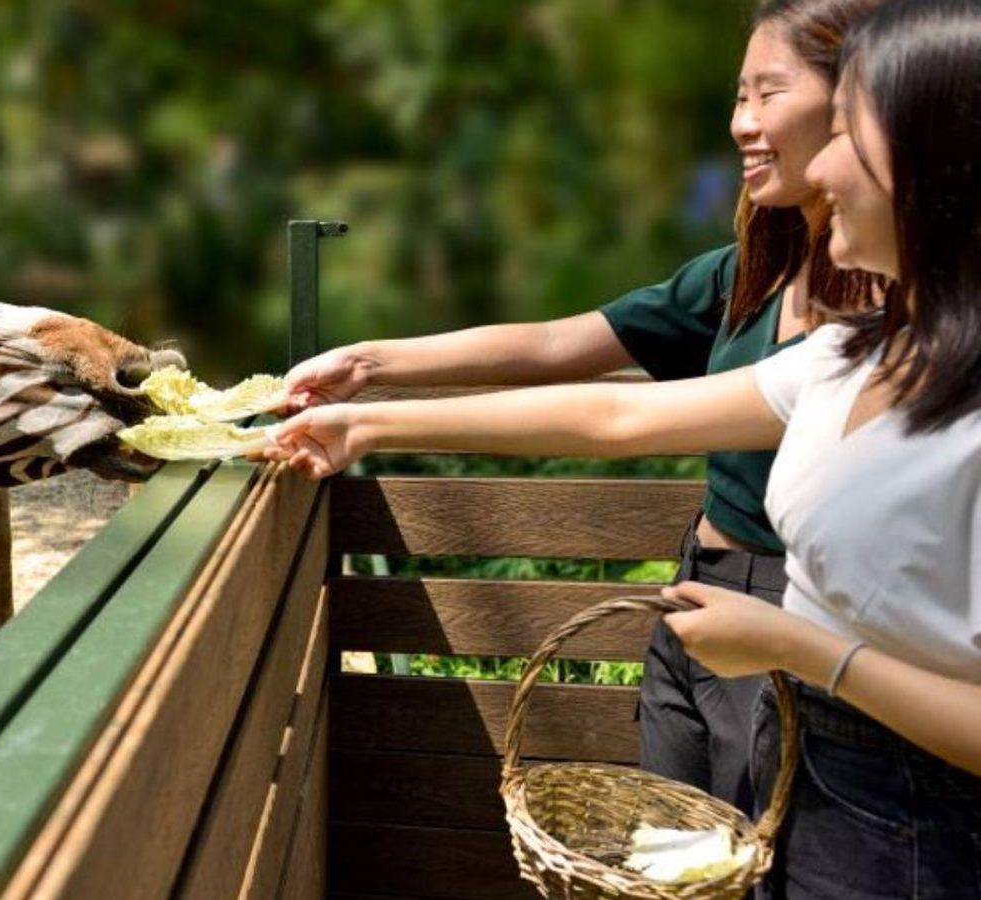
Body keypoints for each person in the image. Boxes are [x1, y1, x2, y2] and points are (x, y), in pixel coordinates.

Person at [263, 1, 981, 894]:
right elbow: (617, 417)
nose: (818, 161)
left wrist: (805, 651)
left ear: (936, 163)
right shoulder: (853, 352)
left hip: (909, 808)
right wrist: (368, 414)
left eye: (843, 128)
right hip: (805, 739)